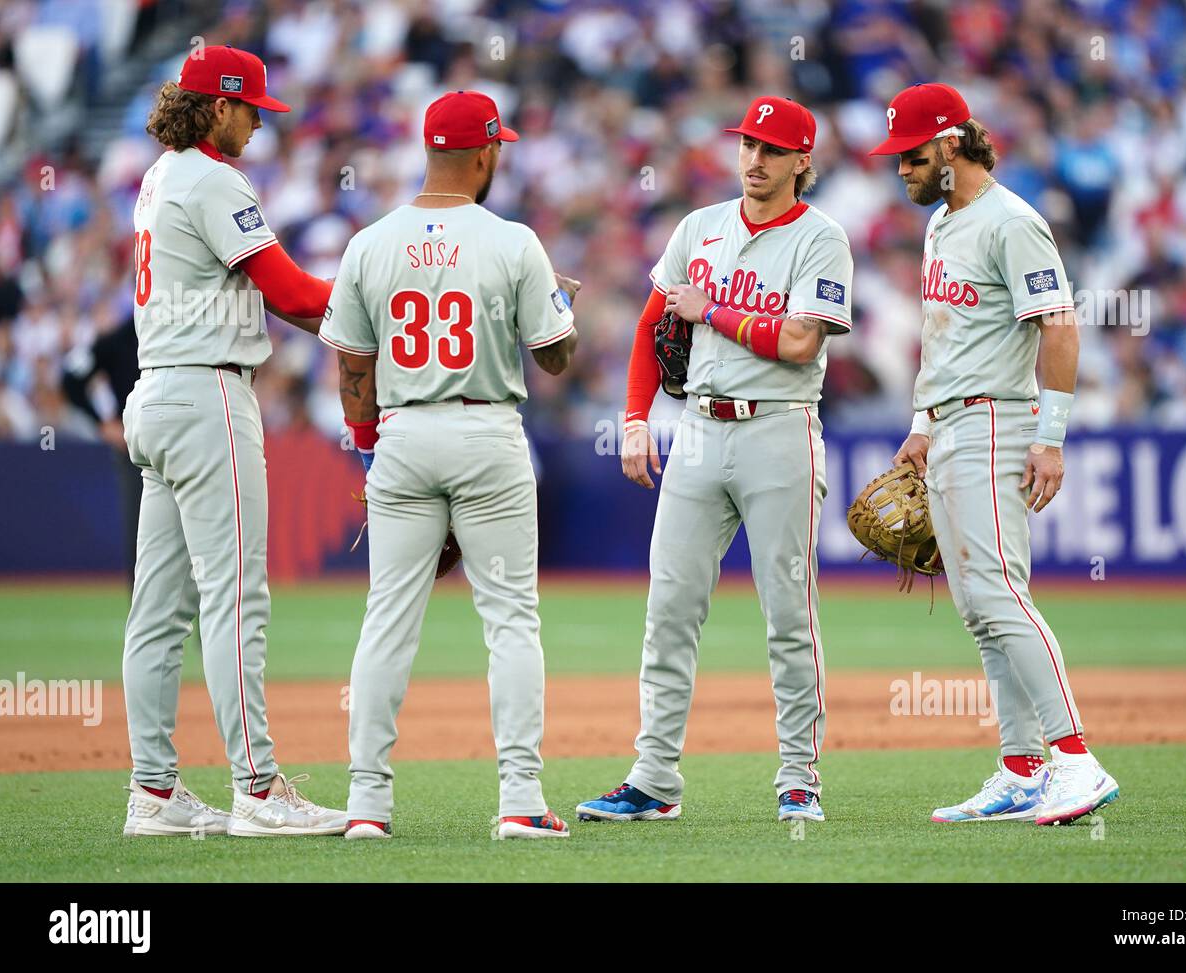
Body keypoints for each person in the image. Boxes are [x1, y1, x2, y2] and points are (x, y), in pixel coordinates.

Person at [576, 96, 853, 825]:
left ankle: (799, 778)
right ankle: (653, 778)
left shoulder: (821, 238)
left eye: (772, 149)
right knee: (669, 608)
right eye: (748, 144)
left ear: (801, 161)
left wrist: (715, 313)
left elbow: (800, 343)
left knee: (788, 612)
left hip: (779, 429)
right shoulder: (699, 227)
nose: (754, 159)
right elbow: (650, 328)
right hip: (698, 427)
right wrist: (635, 419)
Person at [321, 90, 579, 841]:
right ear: (486, 152)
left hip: (402, 434)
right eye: (499, 148)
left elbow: (352, 367)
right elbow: (555, 358)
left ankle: (367, 805)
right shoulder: (513, 240)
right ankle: (520, 800)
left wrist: (372, 449)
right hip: (485, 430)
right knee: (511, 619)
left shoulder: (370, 241)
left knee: (386, 622)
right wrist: (559, 303)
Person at [869, 82, 1119, 825]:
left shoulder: (1012, 221)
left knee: (1002, 595)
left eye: (912, 156)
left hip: (994, 422)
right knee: (979, 608)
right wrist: (922, 421)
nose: (902, 169)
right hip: (949, 423)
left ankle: (1076, 758)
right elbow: (946, 336)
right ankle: (1022, 766)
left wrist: (1050, 437)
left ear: (951, 144)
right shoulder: (941, 222)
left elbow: (1059, 326)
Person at [122, 45, 347, 837]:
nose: (257, 123)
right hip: (208, 393)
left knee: (158, 610)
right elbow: (290, 292)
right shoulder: (213, 177)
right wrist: (382, 300)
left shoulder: (160, 175)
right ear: (218, 105)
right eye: (250, 107)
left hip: (157, 394)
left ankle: (153, 792)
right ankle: (257, 788)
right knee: (235, 597)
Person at [61, 314, 141, 587]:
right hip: (134, 449)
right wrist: (103, 424)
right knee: (140, 532)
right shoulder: (119, 339)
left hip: (180, 442)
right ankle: (141, 608)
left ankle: (202, 610)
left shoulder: (179, 330)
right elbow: (71, 378)